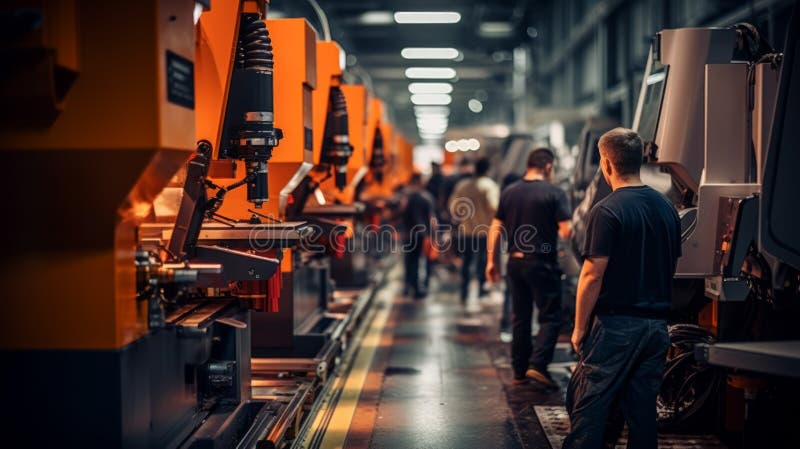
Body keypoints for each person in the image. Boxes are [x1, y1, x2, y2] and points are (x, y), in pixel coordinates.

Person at [563, 128, 681, 449]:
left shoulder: (606, 209)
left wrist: (578, 328)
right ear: (641, 160)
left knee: (589, 407)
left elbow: (591, 275)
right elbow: (671, 265)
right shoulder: (667, 208)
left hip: (616, 326)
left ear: (606, 163)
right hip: (656, 328)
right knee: (642, 415)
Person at [486, 148, 571, 387]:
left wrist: (491, 261)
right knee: (550, 316)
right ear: (548, 167)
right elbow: (566, 230)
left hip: (514, 261)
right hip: (541, 262)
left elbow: (494, 229)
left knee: (520, 317)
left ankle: (520, 370)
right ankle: (539, 365)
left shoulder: (509, 192)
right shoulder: (555, 192)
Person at [449, 157, 499, 304]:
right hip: (485, 231)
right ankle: (482, 292)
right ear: (488, 170)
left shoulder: (463, 186)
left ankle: (464, 292)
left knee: (467, 261)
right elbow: (494, 207)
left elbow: (454, 207)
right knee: (483, 262)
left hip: (467, 230)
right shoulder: (489, 186)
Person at [400, 172, 436, 299]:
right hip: (424, 234)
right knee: (424, 261)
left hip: (411, 234)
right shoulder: (426, 197)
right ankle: (422, 287)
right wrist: (433, 234)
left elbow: (404, 216)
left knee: (411, 262)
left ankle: (411, 287)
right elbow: (432, 218)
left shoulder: (408, 198)